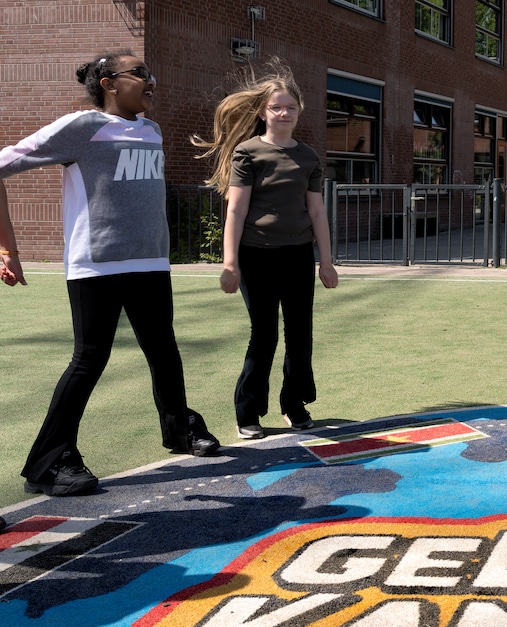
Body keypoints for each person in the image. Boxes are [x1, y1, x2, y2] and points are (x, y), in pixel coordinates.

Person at [0, 51, 219, 497]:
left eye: (150, 72)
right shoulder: (82, 126)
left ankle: (180, 429)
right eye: (140, 73)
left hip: (151, 262)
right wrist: (8, 247)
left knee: (164, 350)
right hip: (96, 264)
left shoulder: (152, 130)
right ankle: (48, 464)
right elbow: (6, 160)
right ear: (109, 83)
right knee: (89, 359)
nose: (150, 80)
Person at [192, 67, 338, 440]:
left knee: (300, 334)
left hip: (298, 255)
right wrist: (230, 264)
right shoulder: (248, 152)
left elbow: (317, 212)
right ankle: (248, 411)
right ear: (263, 111)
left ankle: (294, 404)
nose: (284, 113)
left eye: (290, 107)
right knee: (265, 334)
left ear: (299, 111)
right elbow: (236, 211)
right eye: (276, 107)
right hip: (256, 256)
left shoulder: (308, 157)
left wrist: (326, 261)